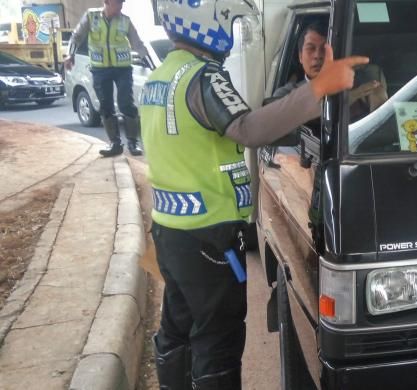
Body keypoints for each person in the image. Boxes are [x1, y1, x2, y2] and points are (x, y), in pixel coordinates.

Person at [140, 0, 367, 388]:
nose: (228, 34)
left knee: (177, 329)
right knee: (218, 339)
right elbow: (248, 129)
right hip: (209, 236)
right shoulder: (203, 77)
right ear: (206, 23)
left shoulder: (160, 76)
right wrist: (319, 89)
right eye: (226, 22)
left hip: (169, 230)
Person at [65, 0, 147, 156]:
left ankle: (133, 143)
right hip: (100, 69)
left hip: (122, 68)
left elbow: (137, 44)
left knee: (126, 104)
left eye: (122, 4)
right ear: (107, 2)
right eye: (117, 4)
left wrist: (149, 61)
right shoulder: (91, 17)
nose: (120, 7)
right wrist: (70, 55)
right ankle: (115, 144)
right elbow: (76, 37)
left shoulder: (125, 20)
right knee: (106, 105)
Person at [273, 21, 387, 120]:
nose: (317, 55)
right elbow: (282, 120)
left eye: (324, 49)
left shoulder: (362, 89)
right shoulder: (286, 94)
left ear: (335, 54)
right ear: (300, 57)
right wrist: (346, 100)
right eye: (310, 48)